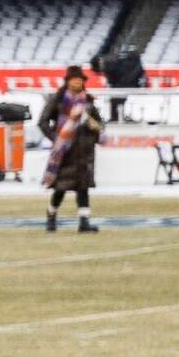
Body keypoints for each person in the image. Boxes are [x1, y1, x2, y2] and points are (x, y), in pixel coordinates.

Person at [37, 66, 102, 233]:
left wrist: (93, 126)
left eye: (80, 80)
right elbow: (43, 122)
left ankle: (84, 222)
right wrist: (56, 138)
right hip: (64, 151)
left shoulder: (88, 101)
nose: (78, 82)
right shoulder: (57, 99)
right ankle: (51, 216)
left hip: (84, 151)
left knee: (83, 188)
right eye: (75, 79)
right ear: (68, 81)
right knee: (60, 188)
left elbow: (100, 125)